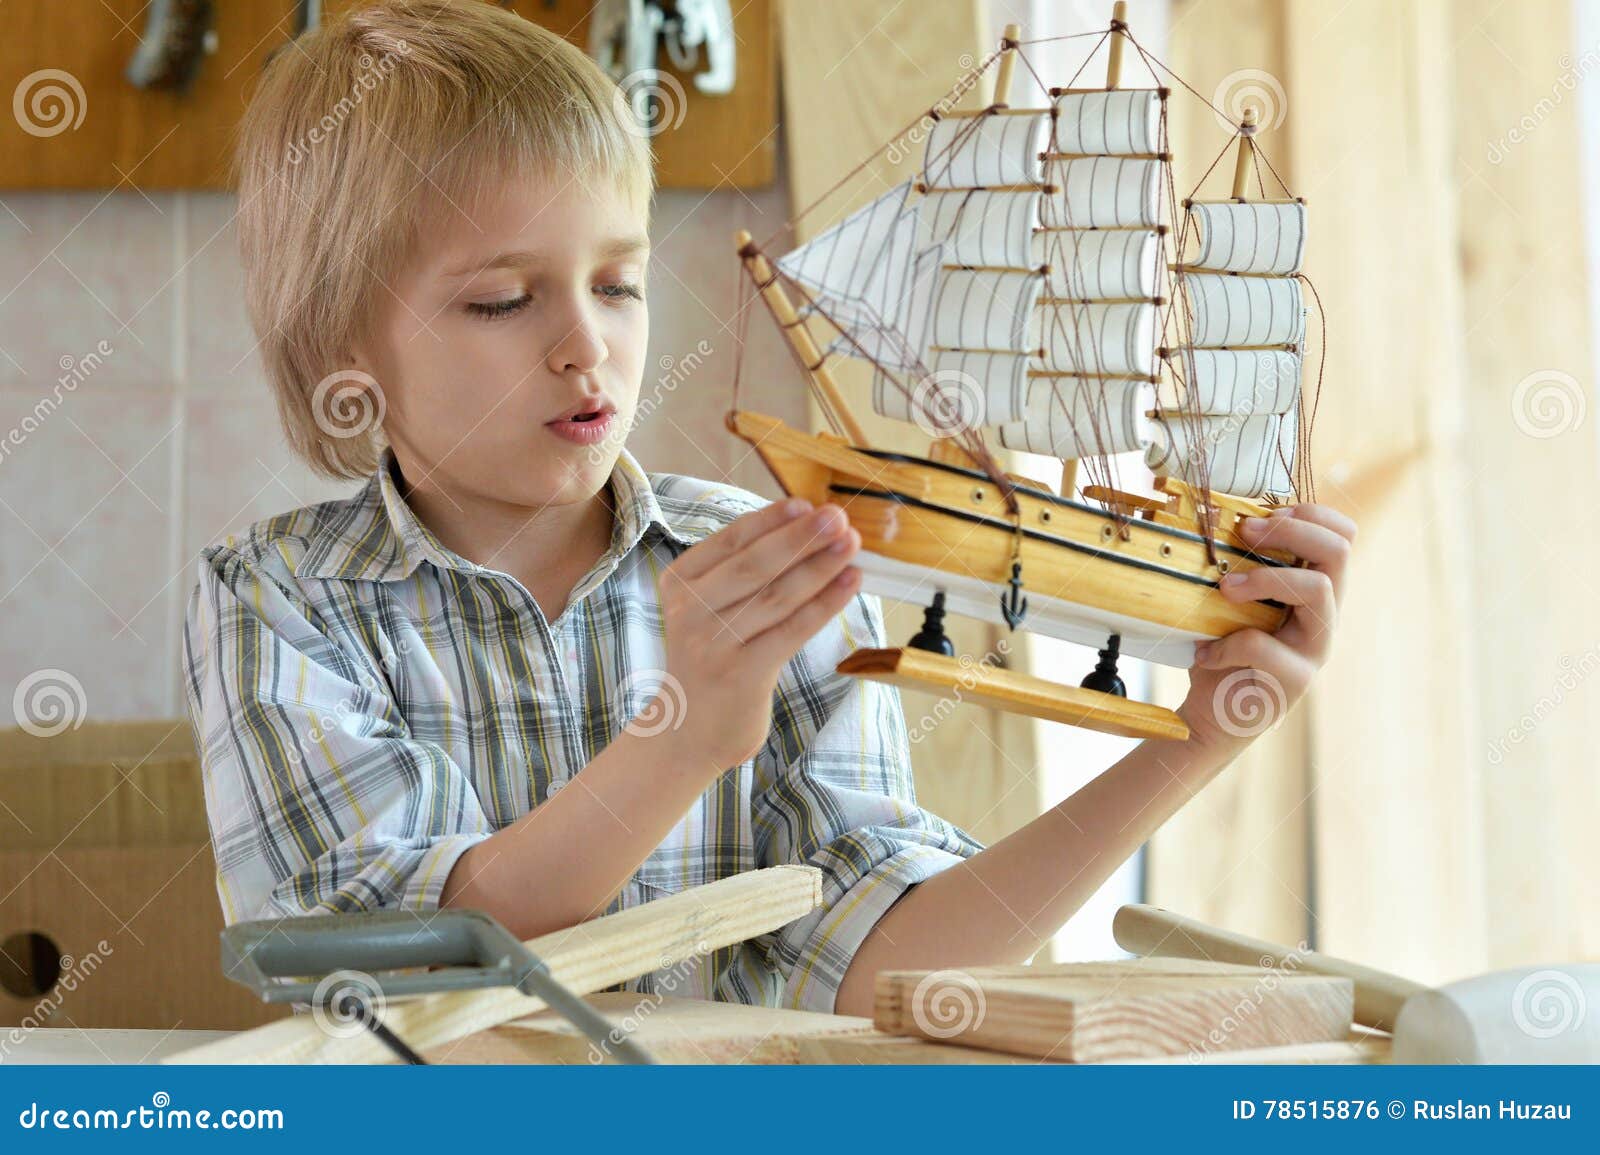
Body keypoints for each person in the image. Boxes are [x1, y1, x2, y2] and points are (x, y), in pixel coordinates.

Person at [182, 0, 1355, 1018]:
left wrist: (1198, 738)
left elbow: (886, 967)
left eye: (618, 284)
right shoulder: (280, 599)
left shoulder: (761, 564)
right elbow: (401, 960)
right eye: (501, 300)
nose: (587, 345)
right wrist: (682, 736)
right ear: (342, 348)